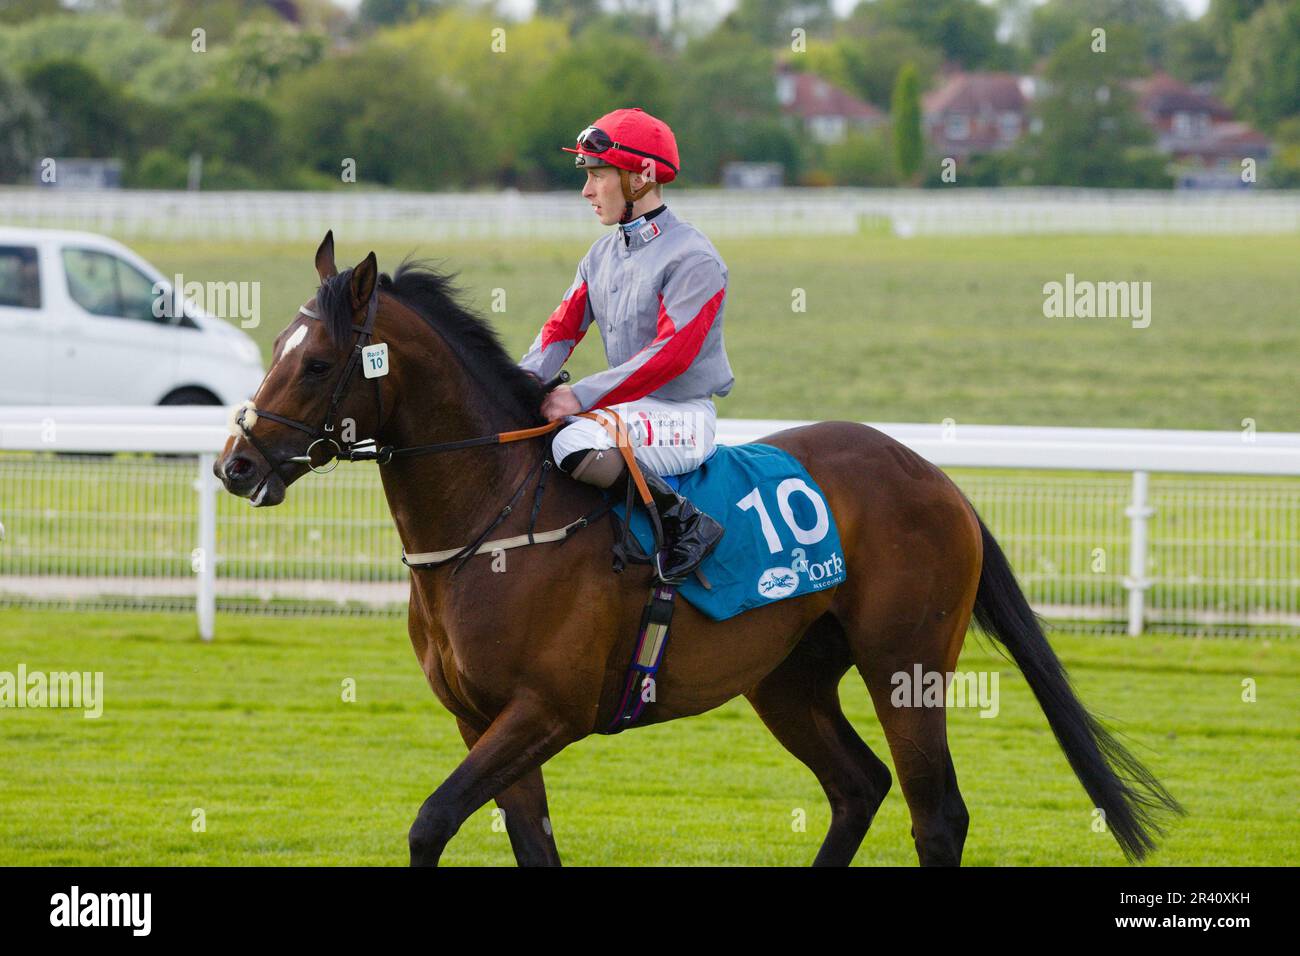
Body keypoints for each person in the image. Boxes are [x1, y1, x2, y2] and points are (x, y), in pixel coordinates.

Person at [519, 107, 735, 585]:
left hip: (682, 416)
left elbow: (670, 354)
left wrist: (580, 395)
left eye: (599, 175)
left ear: (640, 177)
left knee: (572, 438)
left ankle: (686, 522)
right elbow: (560, 331)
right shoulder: (600, 255)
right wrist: (517, 386)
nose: (587, 190)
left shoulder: (694, 258)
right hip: (630, 412)